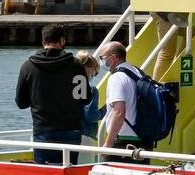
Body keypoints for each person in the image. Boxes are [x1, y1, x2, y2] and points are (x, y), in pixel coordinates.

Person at [15, 25, 90, 164]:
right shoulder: (76, 66)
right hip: (71, 130)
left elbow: (21, 103)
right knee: (69, 172)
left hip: (43, 130)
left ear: (43, 41)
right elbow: (85, 99)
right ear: (62, 41)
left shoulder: (28, 67)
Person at [96, 41, 150, 153]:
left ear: (113, 57)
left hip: (124, 142)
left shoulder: (117, 78)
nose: (102, 62)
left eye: (103, 58)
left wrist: (107, 144)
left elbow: (119, 112)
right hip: (144, 139)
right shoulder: (137, 72)